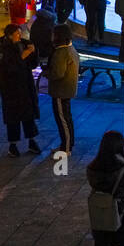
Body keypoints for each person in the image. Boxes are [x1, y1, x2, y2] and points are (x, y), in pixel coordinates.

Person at [0, 23, 41, 156]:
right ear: (9, 35)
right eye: (17, 34)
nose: (19, 36)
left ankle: (32, 141)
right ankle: (13, 144)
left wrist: (33, 52)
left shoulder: (24, 44)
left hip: (25, 86)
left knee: (28, 115)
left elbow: (32, 63)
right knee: (13, 117)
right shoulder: (4, 49)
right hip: (11, 89)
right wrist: (27, 53)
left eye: (20, 33)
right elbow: (9, 67)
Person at [47, 24, 80, 159]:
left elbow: (58, 73)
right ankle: (67, 144)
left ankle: (66, 148)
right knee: (67, 118)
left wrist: (47, 74)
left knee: (62, 119)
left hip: (61, 90)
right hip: (68, 89)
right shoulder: (70, 49)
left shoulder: (61, 52)